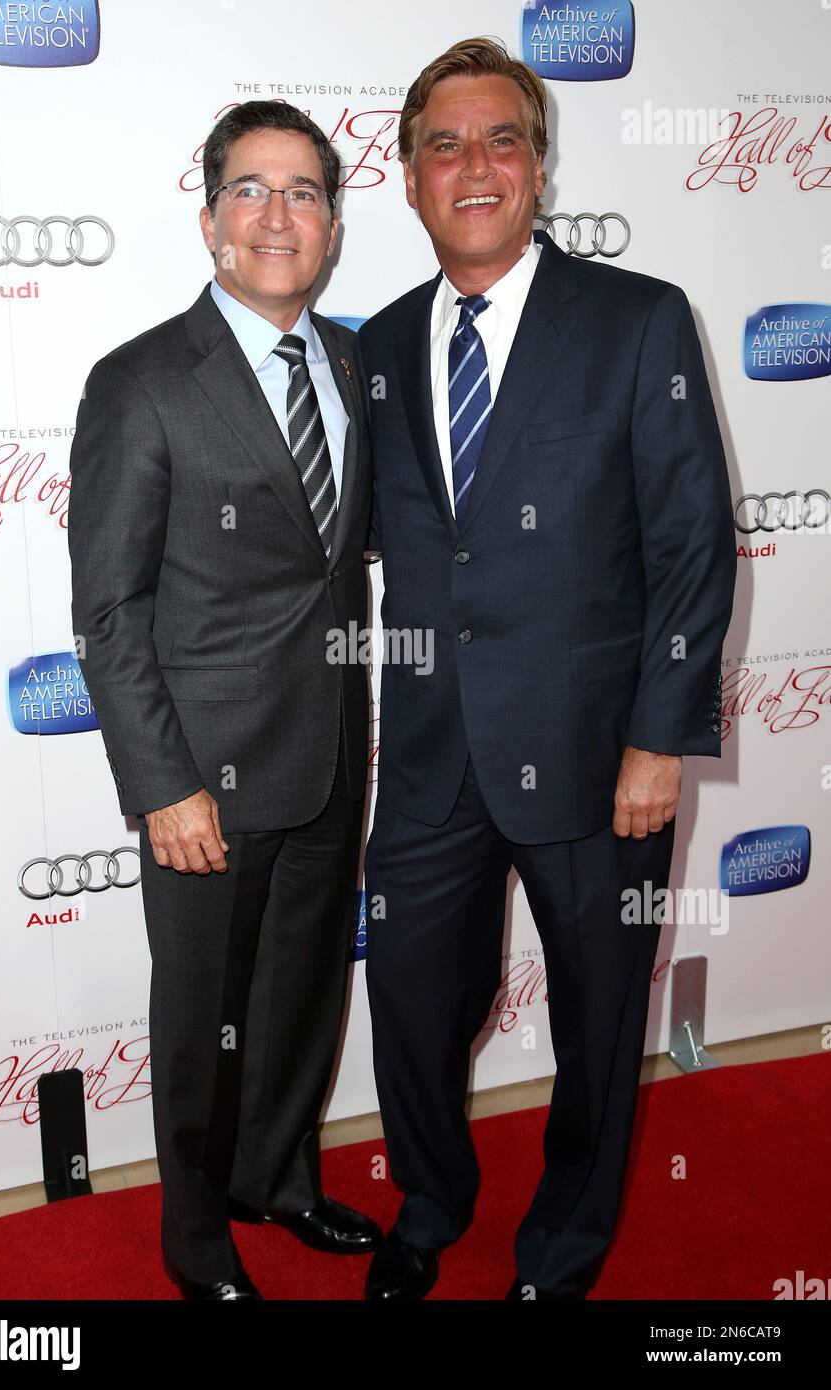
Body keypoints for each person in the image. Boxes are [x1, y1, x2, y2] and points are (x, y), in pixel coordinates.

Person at [358, 37, 736, 1301]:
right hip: (424, 758)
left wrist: (657, 738)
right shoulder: (378, 349)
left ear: (538, 167)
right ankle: (428, 1201)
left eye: (500, 139)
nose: (474, 165)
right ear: (407, 179)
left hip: (593, 756)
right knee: (411, 1003)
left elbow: (690, 541)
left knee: (594, 1024)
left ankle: (561, 1250)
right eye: (443, 145)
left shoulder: (636, 321)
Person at [68, 100, 379, 1300]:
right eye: (251, 190)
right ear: (208, 220)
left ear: (332, 225)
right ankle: (196, 1239)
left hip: (327, 755)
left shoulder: (351, 364)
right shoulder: (140, 382)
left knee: (301, 990)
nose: (277, 215)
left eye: (302, 192)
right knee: (200, 1020)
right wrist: (164, 785)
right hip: (202, 774)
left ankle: (280, 1179)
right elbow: (109, 613)